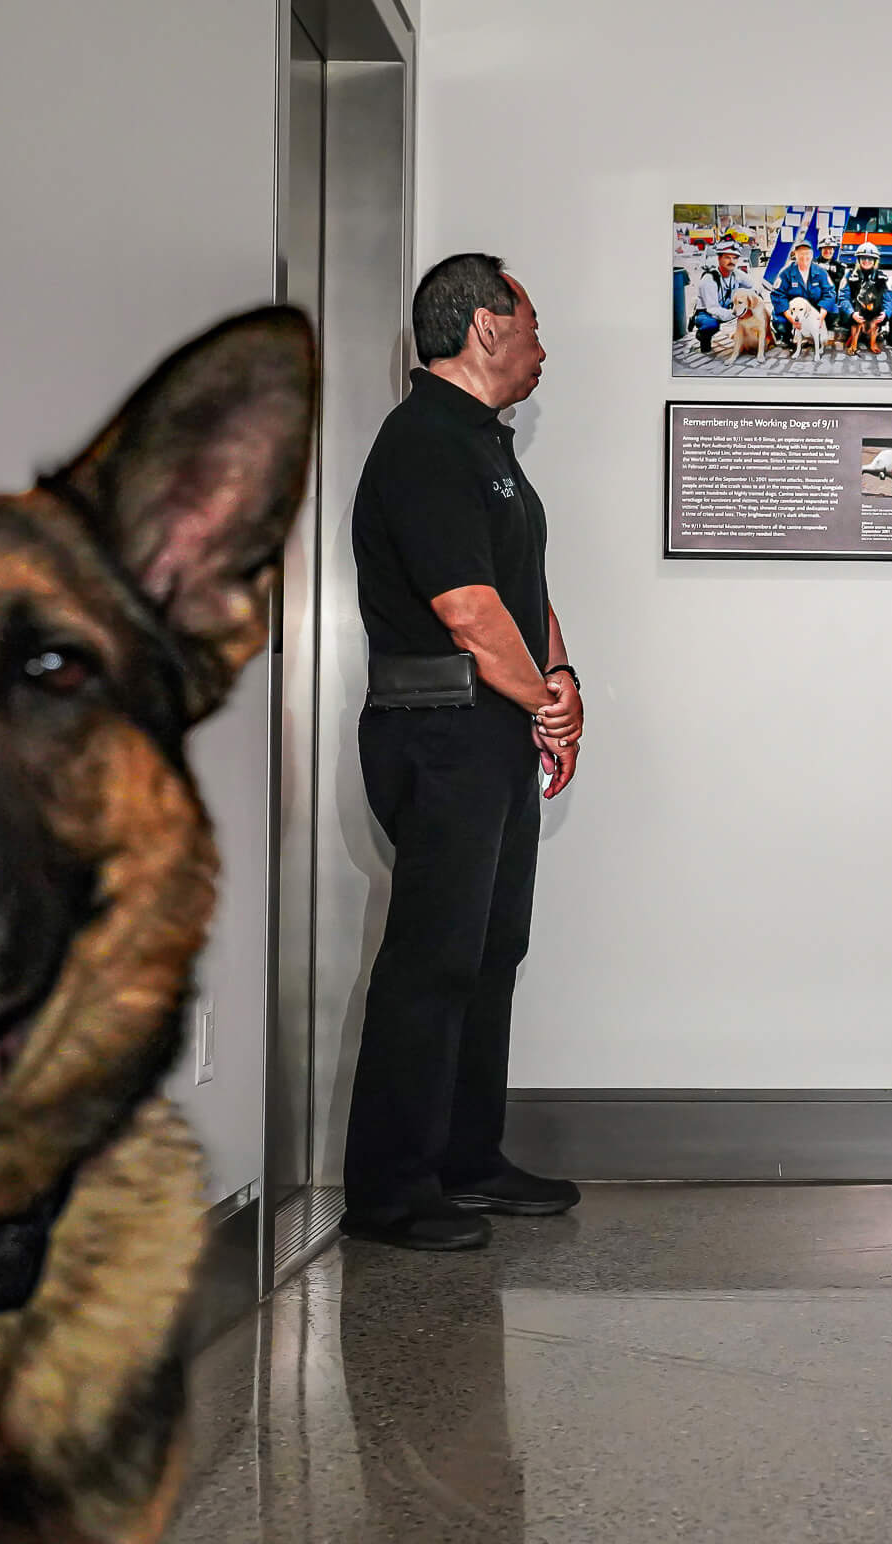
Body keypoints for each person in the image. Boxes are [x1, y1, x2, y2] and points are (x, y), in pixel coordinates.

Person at [342, 253, 585, 1251]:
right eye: (530, 322)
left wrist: (559, 689)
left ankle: (466, 1158)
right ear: (484, 325)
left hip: (490, 727)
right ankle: (389, 1192)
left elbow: (522, 590)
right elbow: (466, 609)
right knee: (432, 960)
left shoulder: (486, 448)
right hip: (439, 731)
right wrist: (544, 701)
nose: (541, 347)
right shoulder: (423, 443)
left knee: (490, 950)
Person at [690, 239, 759, 355]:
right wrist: (736, 313)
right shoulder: (709, 279)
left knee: (754, 308)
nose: (732, 261)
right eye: (727, 257)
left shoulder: (736, 274)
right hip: (707, 312)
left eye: (735, 258)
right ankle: (703, 337)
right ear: (719, 258)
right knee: (710, 324)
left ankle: (749, 341)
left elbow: (754, 287)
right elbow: (713, 309)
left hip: (727, 309)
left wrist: (748, 300)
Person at [769, 236, 835, 347]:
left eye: (807, 253)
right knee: (780, 323)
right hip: (793, 309)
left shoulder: (820, 271)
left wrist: (822, 315)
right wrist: (791, 318)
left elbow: (830, 292)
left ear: (812, 255)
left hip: (814, 307)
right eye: (801, 253)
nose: (804, 257)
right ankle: (786, 337)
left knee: (834, 312)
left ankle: (819, 334)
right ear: (795, 254)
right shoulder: (786, 272)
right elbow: (777, 294)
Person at [840, 240, 890, 351]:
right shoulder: (850, 275)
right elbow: (843, 298)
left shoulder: (881, 277)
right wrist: (851, 313)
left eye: (870, 258)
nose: (866, 261)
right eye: (863, 258)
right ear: (858, 260)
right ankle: (854, 342)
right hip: (855, 314)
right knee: (852, 319)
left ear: (875, 260)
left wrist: (886, 313)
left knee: (876, 315)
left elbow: (888, 299)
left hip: (873, 316)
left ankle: (872, 342)